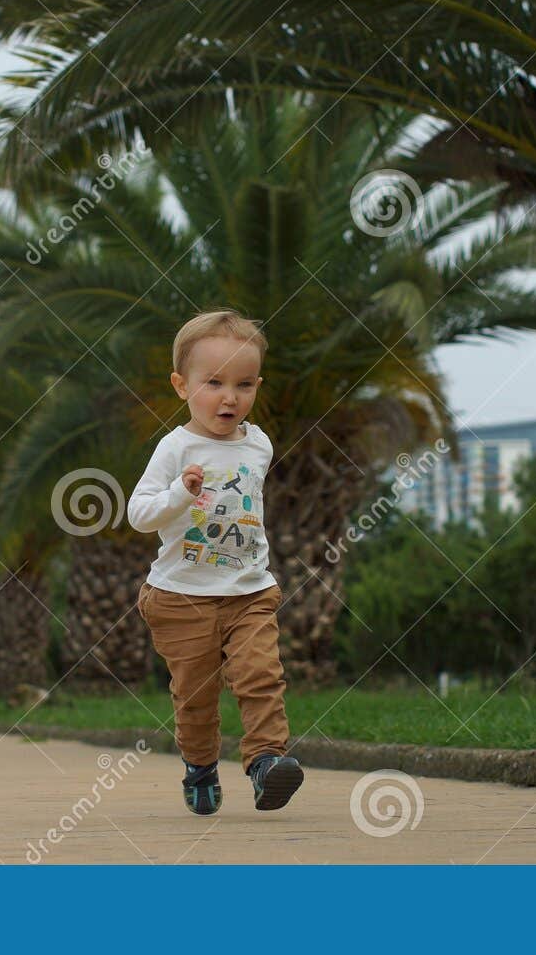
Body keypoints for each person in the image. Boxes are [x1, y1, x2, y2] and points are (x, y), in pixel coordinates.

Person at [126, 309, 302, 815]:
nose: (230, 397)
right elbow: (139, 513)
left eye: (244, 384)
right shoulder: (175, 448)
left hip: (249, 590)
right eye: (214, 383)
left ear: (257, 385)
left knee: (260, 676)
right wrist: (181, 494)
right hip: (182, 596)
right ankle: (200, 767)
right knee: (196, 697)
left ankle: (267, 762)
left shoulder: (259, 444)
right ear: (182, 385)